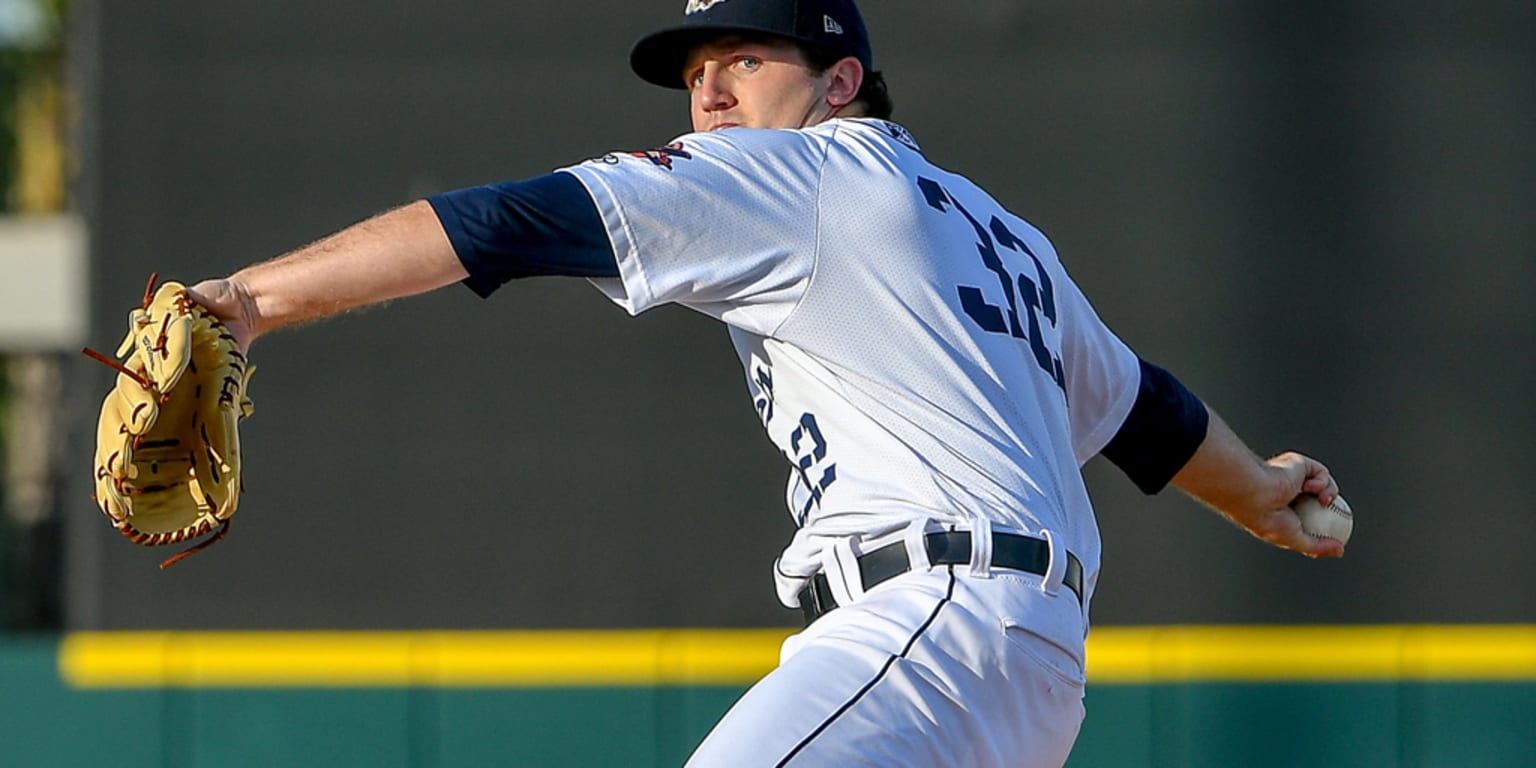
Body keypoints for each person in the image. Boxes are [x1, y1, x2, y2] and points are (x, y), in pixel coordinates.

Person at [187, 0, 1345, 765]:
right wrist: (1260, 492)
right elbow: (1142, 409)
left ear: (842, 80)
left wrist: (249, 300)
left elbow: (501, 223)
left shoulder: (795, 177)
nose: (711, 94)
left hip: (933, 626)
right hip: (1025, 663)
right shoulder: (1000, 233)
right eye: (696, 72)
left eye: (745, 58)